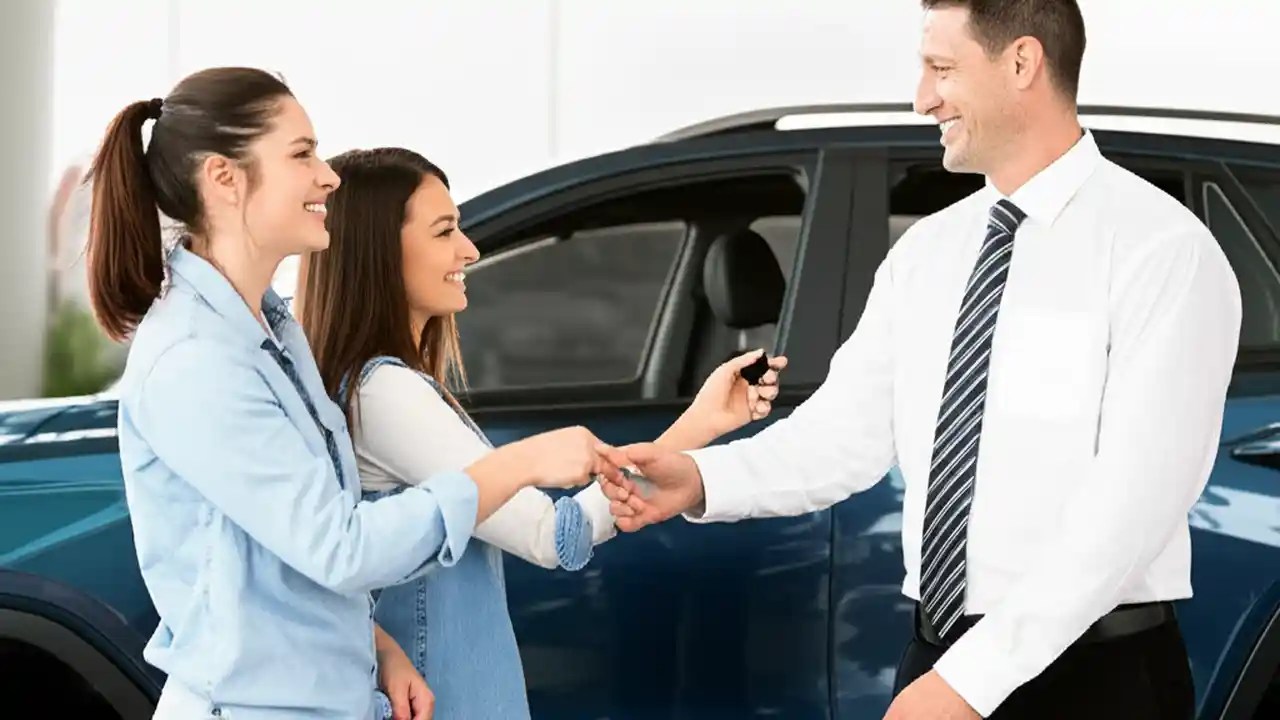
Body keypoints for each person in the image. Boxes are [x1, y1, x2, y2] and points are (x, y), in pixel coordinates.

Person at [602, 1, 1243, 718]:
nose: (922, 97)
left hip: (1090, 678)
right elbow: (843, 434)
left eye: (942, 69)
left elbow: (1132, 504)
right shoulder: (928, 254)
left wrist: (972, 681)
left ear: (1023, 62)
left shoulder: (1160, 251)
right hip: (939, 657)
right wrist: (697, 477)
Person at [88, 67, 627, 720]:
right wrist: (516, 465)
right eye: (301, 154)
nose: (328, 176)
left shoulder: (271, 334)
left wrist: (379, 648)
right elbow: (340, 547)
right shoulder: (195, 361)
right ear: (224, 180)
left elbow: (287, 553)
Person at [294, 146, 788, 719]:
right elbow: (558, 537)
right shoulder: (386, 394)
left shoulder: (369, 386)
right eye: (444, 231)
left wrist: (704, 421)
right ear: (380, 252)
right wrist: (692, 428)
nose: (469, 249)